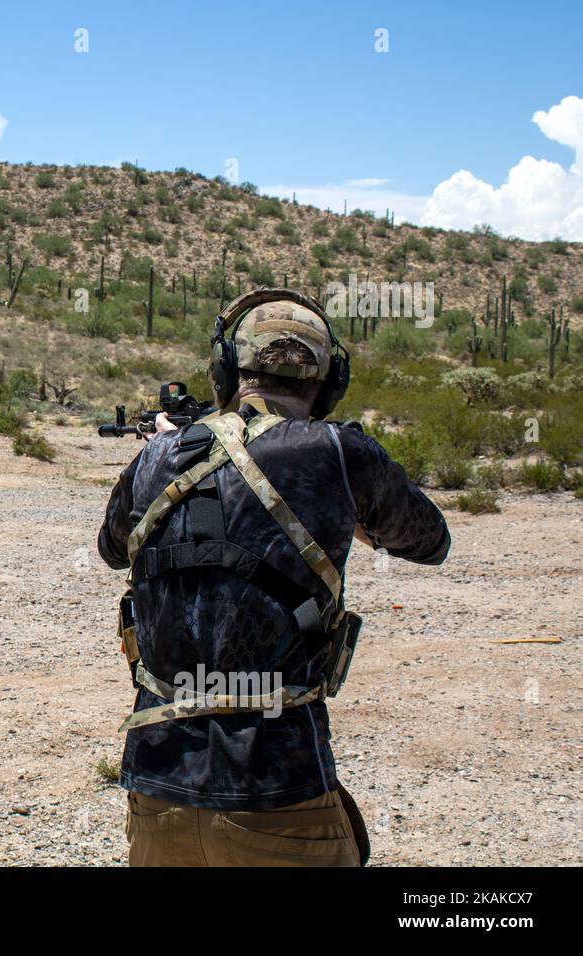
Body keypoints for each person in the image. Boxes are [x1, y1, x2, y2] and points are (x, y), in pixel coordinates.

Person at [98, 288, 450, 867]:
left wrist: (167, 448)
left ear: (225, 371)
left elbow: (113, 548)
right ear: (330, 380)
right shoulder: (341, 454)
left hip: (157, 785)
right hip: (281, 789)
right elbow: (429, 542)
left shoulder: (158, 457)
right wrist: (349, 509)